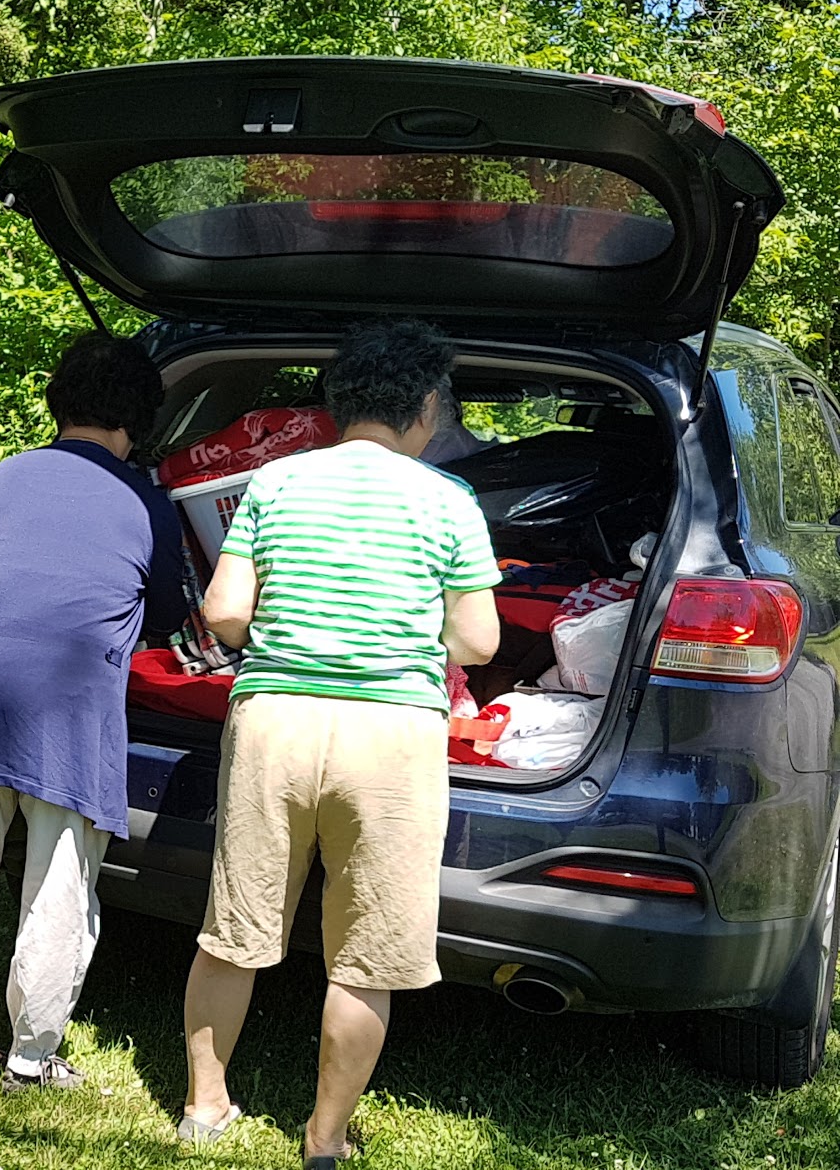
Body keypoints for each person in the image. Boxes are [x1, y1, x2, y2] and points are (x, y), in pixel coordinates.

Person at [178, 319, 501, 1165]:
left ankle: (205, 1108)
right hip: (391, 735)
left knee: (234, 928)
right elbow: (478, 640)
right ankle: (323, 1140)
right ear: (427, 406)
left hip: (274, 721)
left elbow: (223, 614)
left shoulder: (275, 483)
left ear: (337, 404)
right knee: (368, 953)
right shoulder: (449, 500)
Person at [0, 331, 185, 1092]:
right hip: (72, 707)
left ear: (57, 398)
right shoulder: (149, 503)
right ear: (140, 416)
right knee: (59, 882)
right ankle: (32, 1057)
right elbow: (164, 616)